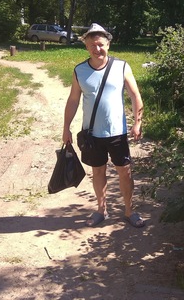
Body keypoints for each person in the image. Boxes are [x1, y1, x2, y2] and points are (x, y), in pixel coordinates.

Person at [62, 23, 145, 228]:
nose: (97, 49)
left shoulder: (121, 67)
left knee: (125, 172)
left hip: (117, 132)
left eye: (100, 44)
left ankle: (129, 211)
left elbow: (135, 95)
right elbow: (73, 100)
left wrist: (137, 123)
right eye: (92, 45)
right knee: (98, 172)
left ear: (108, 44)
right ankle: (101, 210)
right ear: (86, 47)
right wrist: (66, 127)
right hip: (92, 134)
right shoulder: (80, 71)